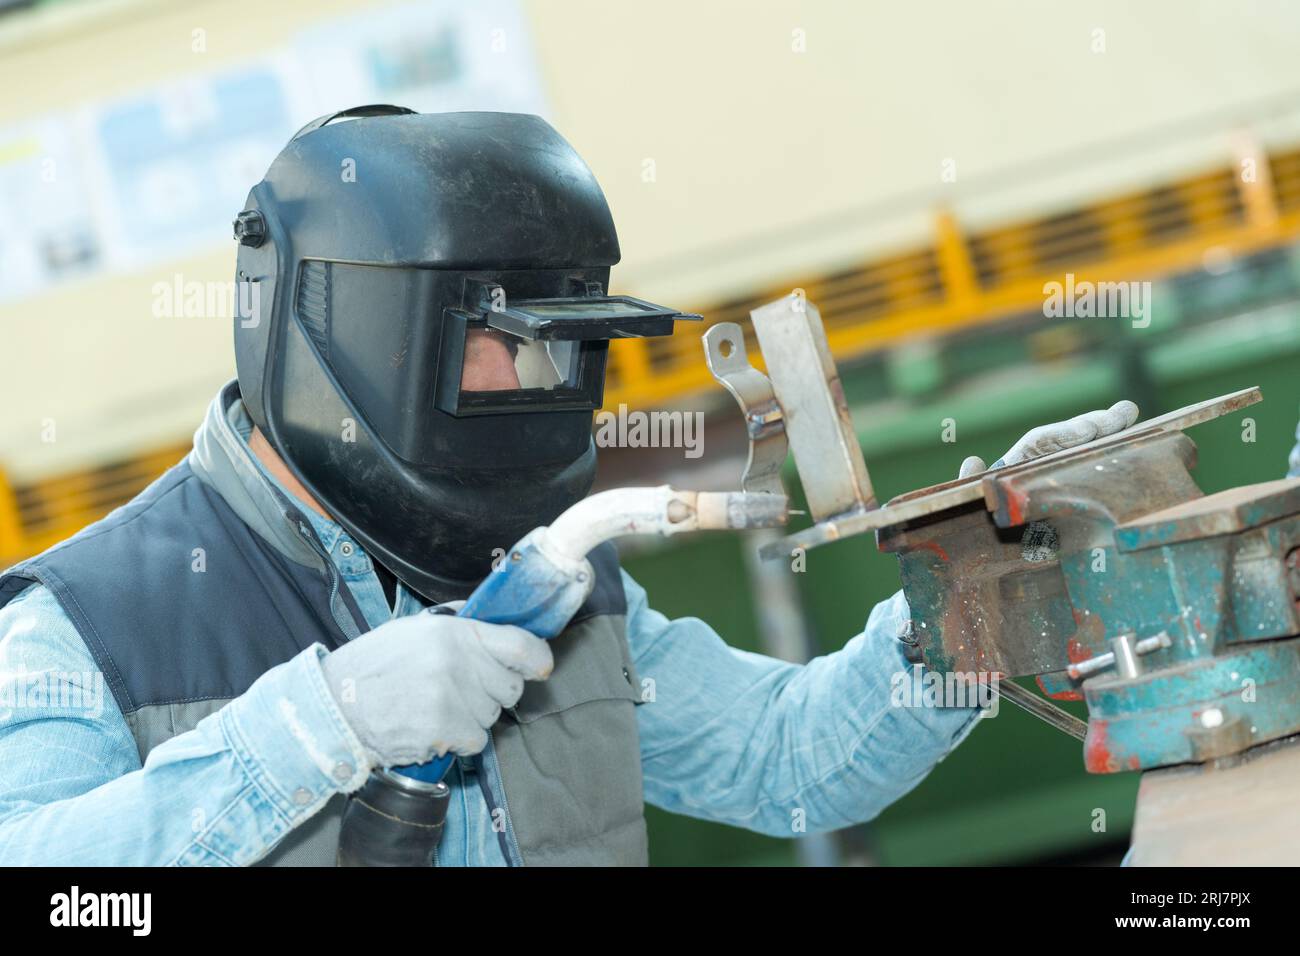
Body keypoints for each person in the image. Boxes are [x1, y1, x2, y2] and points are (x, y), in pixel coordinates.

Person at [0, 107, 1138, 866]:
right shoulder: (93, 625)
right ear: (341, 326)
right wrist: (319, 727)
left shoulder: (552, 572)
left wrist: (973, 588)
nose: (528, 384)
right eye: (489, 337)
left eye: (557, 339)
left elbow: (788, 762)